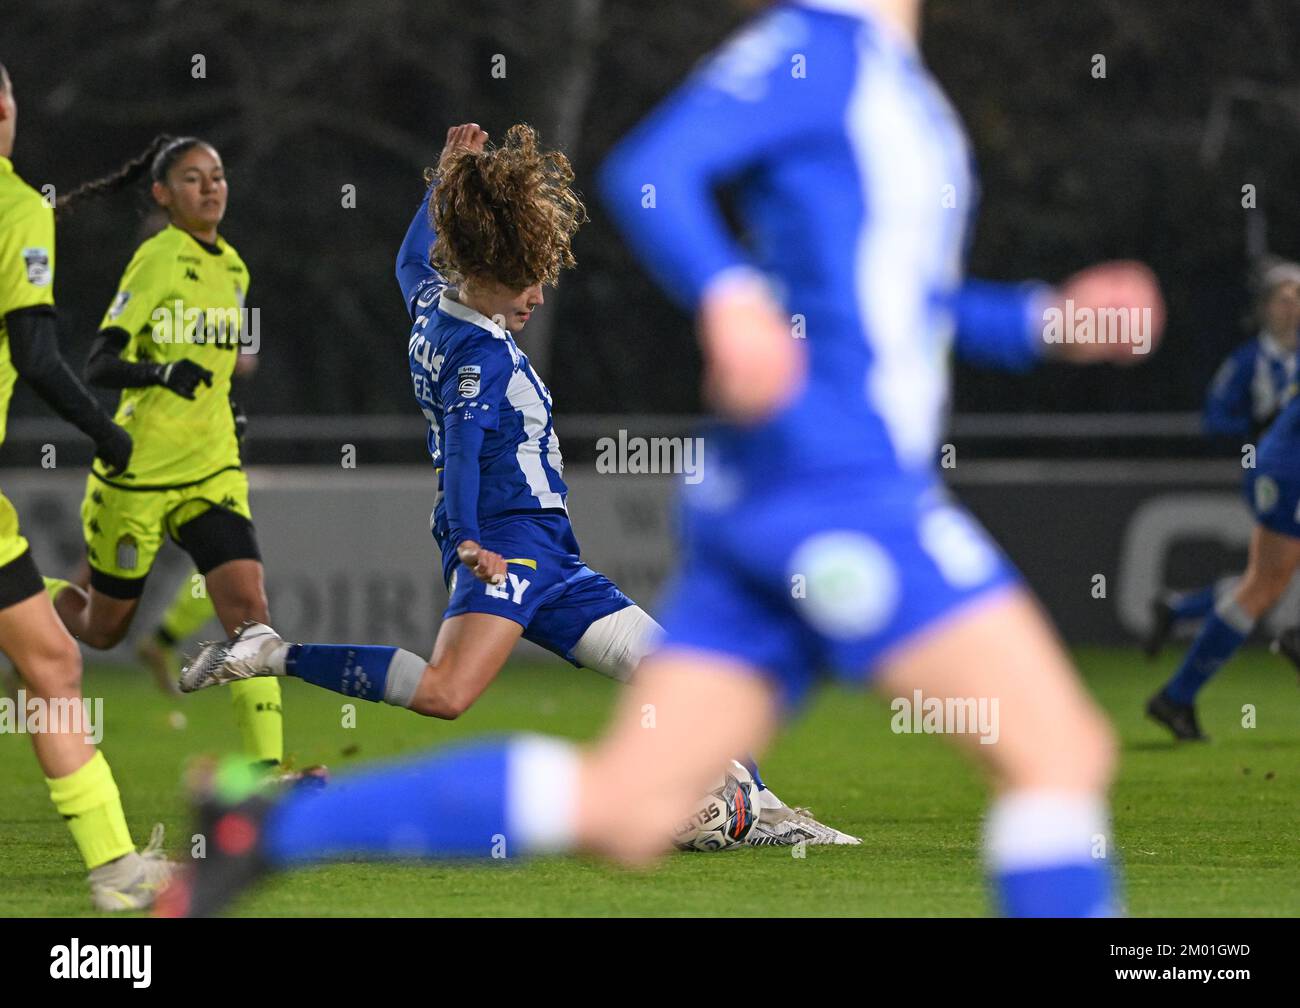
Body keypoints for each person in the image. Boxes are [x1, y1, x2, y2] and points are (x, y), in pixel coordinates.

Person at [160, 0, 1163, 918]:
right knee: (1056, 752)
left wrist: (1045, 320)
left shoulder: (893, 88)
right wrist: (729, 297)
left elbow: (898, 303)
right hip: (834, 484)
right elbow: (659, 170)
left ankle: (268, 828)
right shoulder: (819, 49)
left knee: (631, 802)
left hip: (760, 492)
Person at [179, 121, 856, 847]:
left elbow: (410, 258)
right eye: (525, 277)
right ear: (488, 268)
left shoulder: (435, 303)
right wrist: (469, 537)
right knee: (447, 692)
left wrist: (443, 178)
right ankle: (270, 653)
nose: (536, 293)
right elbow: (465, 452)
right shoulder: (479, 354)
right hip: (506, 542)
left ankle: (761, 810)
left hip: (547, 550)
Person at [48, 134, 287, 771]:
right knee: (104, 630)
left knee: (250, 614)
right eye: (191, 178)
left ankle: (267, 777)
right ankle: (20, 597)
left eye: (216, 175)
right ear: (161, 194)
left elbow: (220, 366)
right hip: (141, 471)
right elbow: (99, 363)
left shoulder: (233, 267)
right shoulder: (157, 258)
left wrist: (228, 411)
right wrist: (159, 375)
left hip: (211, 471)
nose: (210, 186)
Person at [0, 59, 172, 910]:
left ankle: (113, 867)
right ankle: (114, 868)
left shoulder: (25, 208)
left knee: (53, 664)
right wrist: (107, 431)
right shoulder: (19, 205)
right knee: (54, 670)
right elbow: (35, 353)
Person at [1143, 261, 1300, 660]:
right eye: (1283, 299)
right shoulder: (1248, 362)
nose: (1292, 307)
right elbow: (1214, 420)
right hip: (1269, 471)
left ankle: (1179, 609)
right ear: (1266, 307)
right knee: (1272, 573)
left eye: (1298, 299)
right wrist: (1256, 423)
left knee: (1268, 577)